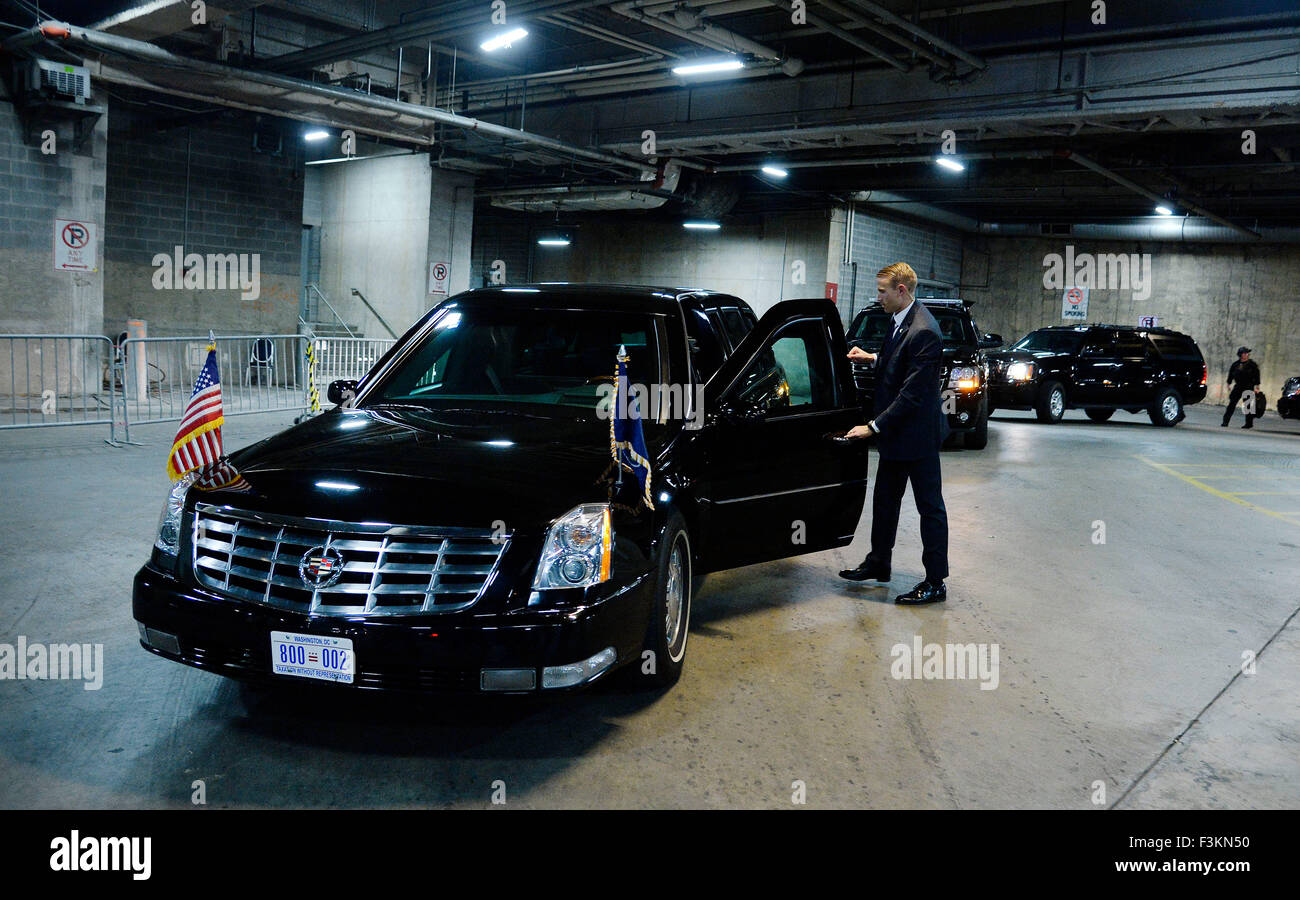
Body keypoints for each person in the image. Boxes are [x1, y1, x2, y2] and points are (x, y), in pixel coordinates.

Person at [838, 262, 950, 605]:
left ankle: (935, 582)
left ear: (901, 290)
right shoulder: (899, 320)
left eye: (882, 291)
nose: (878, 297)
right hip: (897, 437)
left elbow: (912, 394)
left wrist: (872, 427)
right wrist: (872, 358)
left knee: (929, 508)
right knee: (885, 501)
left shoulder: (925, 330)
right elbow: (899, 361)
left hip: (918, 438)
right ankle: (879, 562)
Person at [1222, 346, 1261, 429]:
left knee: (1248, 406)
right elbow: (1231, 374)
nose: (1247, 354)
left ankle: (1249, 424)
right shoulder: (1235, 364)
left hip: (1248, 386)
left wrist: (1257, 386)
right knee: (1231, 404)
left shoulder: (1252, 365)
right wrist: (1228, 383)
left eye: (1247, 353)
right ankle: (1225, 422)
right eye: (1245, 353)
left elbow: (1257, 375)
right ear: (1241, 355)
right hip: (1238, 386)